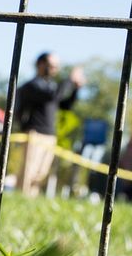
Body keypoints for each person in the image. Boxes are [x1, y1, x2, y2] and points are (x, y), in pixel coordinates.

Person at [15, 52, 84, 196]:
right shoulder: (32, 86)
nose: (54, 69)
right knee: (29, 171)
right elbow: (53, 96)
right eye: (52, 66)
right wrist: (70, 80)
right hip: (34, 134)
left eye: (56, 66)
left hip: (50, 135)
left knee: (41, 173)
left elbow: (65, 105)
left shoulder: (51, 86)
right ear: (40, 65)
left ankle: (30, 200)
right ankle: (21, 197)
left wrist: (76, 88)